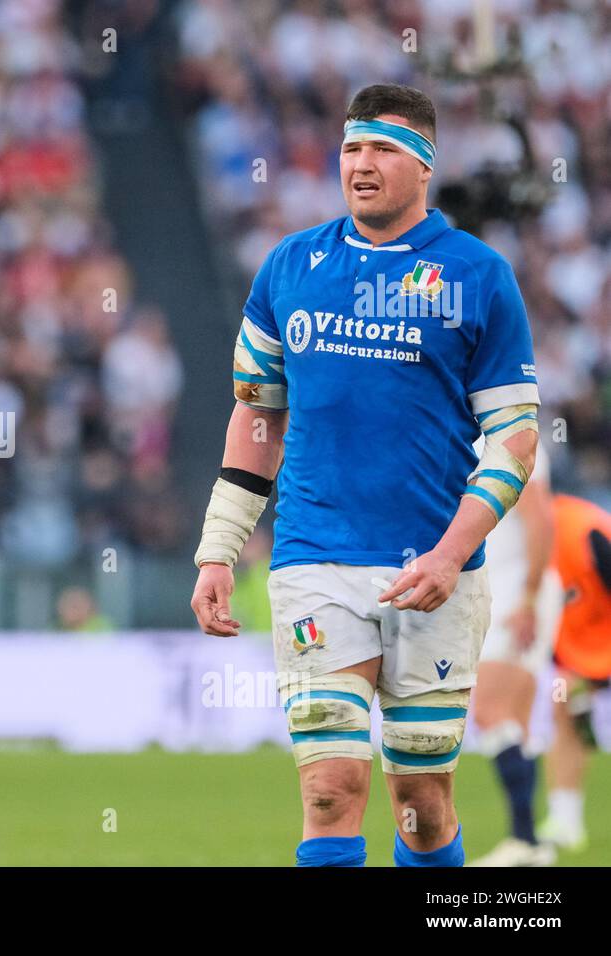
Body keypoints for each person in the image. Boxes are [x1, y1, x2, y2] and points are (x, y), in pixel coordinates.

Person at [190, 84, 540, 867]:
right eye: (352, 148)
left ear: (424, 166)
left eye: (383, 149)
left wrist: (451, 554)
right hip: (315, 559)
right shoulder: (290, 267)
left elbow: (516, 441)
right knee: (330, 786)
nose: (362, 164)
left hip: (436, 572)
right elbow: (258, 417)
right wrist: (219, 547)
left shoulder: (478, 276)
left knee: (420, 802)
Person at [468, 442, 562, 867]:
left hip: (516, 589)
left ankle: (524, 838)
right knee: (515, 722)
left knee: (488, 710)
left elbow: (540, 517)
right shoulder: (477, 436)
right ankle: (529, 842)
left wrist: (528, 595)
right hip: (513, 588)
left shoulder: (508, 436)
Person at [536, 493, 611, 853]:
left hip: (603, 639)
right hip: (575, 648)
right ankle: (565, 818)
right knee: (561, 707)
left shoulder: (588, 532)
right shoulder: (526, 539)